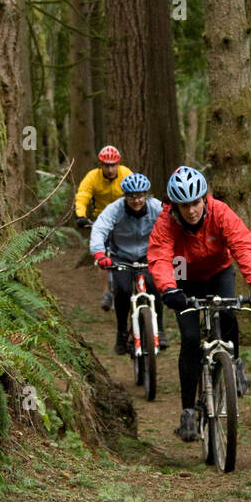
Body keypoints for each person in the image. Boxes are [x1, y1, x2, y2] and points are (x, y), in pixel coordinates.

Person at [147, 166, 251, 442]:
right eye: (184, 206)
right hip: (183, 277)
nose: (191, 210)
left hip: (218, 271)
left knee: (227, 314)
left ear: (204, 199)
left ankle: (234, 365)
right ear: (175, 206)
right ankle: (188, 413)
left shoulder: (220, 213)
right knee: (191, 339)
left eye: (195, 203)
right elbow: (160, 256)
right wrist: (169, 289)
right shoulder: (166, 223)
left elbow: (242, 245)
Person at [91, 173, 166, 356]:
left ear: (146, 195)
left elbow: (171, 226)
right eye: (131, 196)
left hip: (148, 255)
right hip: (121, 256)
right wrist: (99, 253)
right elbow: (99, 229)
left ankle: (160, 329)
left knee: (154, 286)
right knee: (123, 289)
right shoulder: (114, 209)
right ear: (125, 196)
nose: (136, 200)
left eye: (140, 196)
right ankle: (121, 332)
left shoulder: (156, 207)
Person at [74, 145, 132, 311]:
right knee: (103, 255)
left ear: (118, 164)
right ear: (101, 165)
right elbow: (83, 195)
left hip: (124, 219)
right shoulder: (93, 177)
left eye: (113, 165)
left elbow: (136, 192)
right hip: (102, 220)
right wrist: (80, 215)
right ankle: (106, 291)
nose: (110, 169)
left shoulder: (126, 174)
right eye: (106, 166)